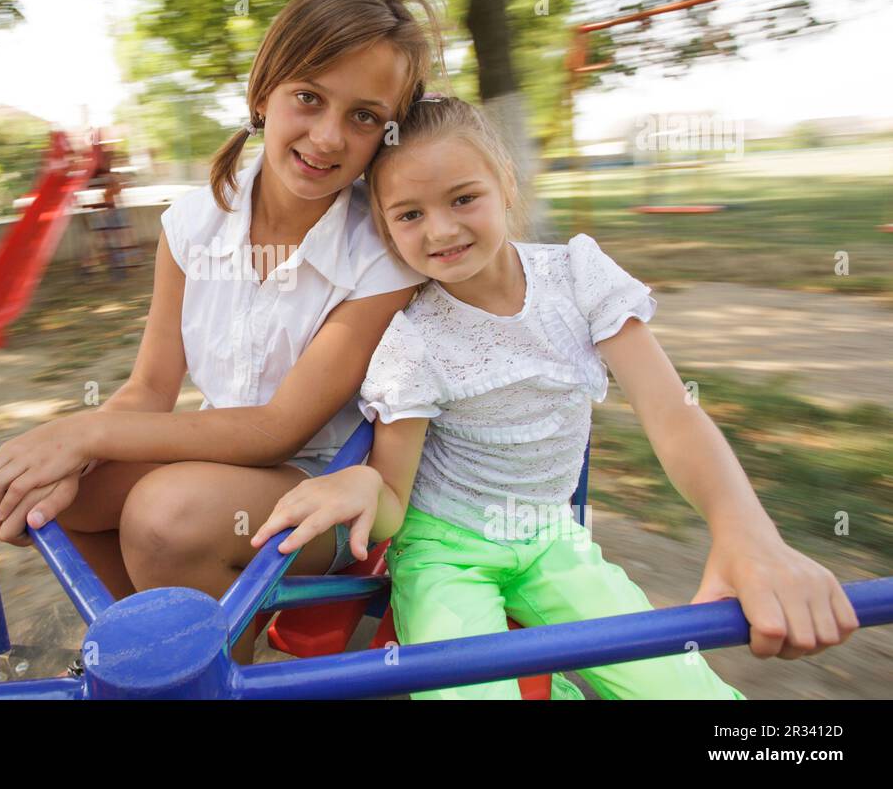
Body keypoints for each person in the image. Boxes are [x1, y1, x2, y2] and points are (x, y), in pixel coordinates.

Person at [250, 95, 859, 698]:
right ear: (386, 228)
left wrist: (744, 531)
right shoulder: (410, 341)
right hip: (444, 552)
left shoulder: (578, 276)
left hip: (550, 536)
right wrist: (363, 487)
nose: (441, 228)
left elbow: (672, 412)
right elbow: (393, 503)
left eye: (463, 198)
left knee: (681, 690)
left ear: (507, 184)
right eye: (409, 215)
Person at [0, 0, 446, 665]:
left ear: (388, 132)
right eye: (309, 97)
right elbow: (150, 389)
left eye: (365, 116)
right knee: (51, 496)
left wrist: (85, 431)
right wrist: (63, 454)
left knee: (166, 515)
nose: (329, 135)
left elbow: (279, 429)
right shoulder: (192, 225)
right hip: (218, 470)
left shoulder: (382, 251)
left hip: (331, 496)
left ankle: (207, 671)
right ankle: (159, 656)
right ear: (263, 93)